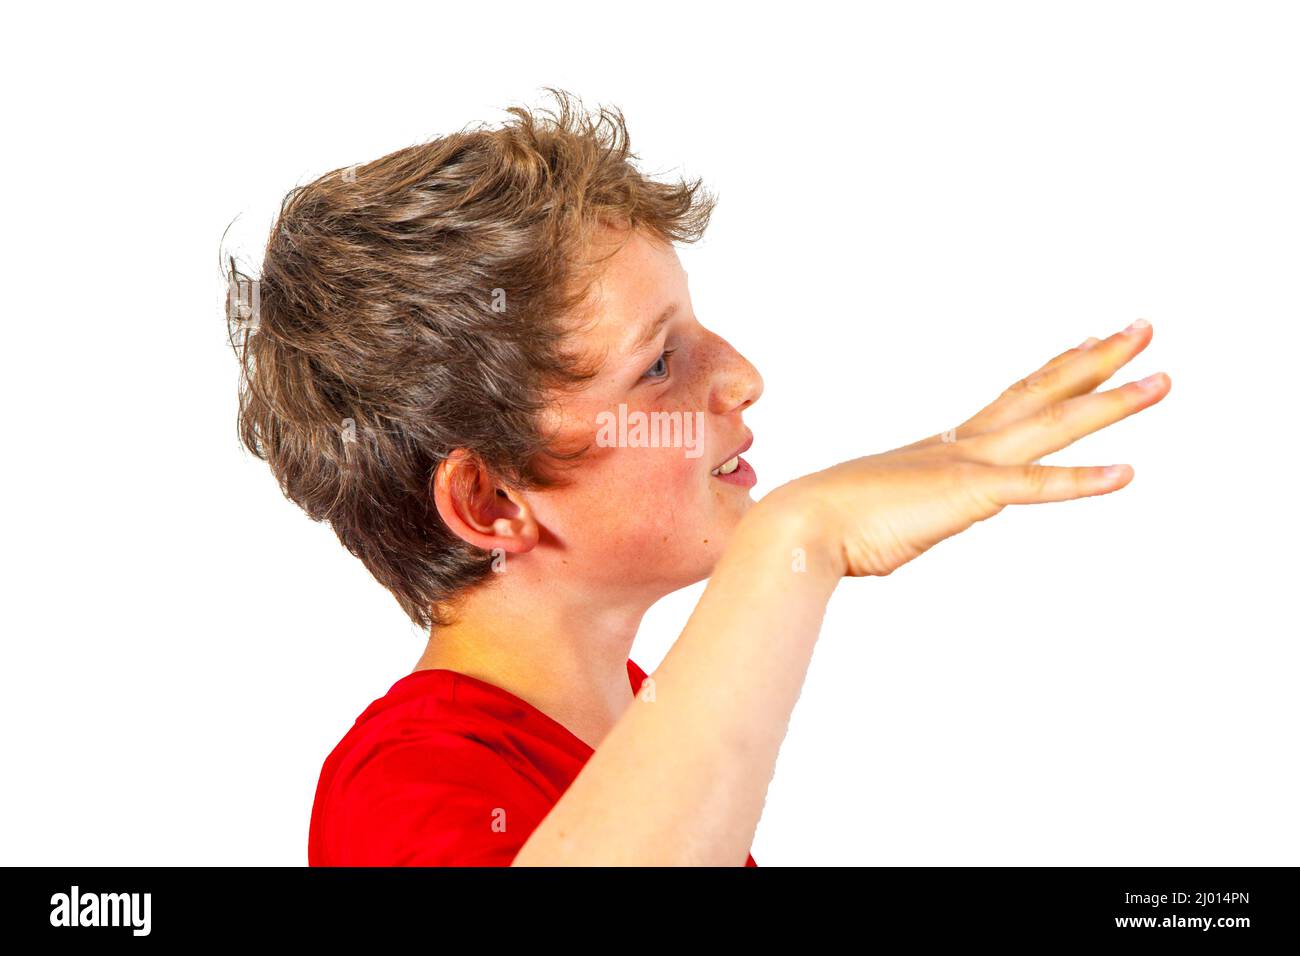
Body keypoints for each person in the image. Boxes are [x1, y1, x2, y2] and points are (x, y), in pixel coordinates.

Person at [226, 89, 1170, 866]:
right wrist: (797, 539)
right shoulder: (406, 788)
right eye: (659, 364)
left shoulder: (643, 733)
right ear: (492, 502)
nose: (741, 375)